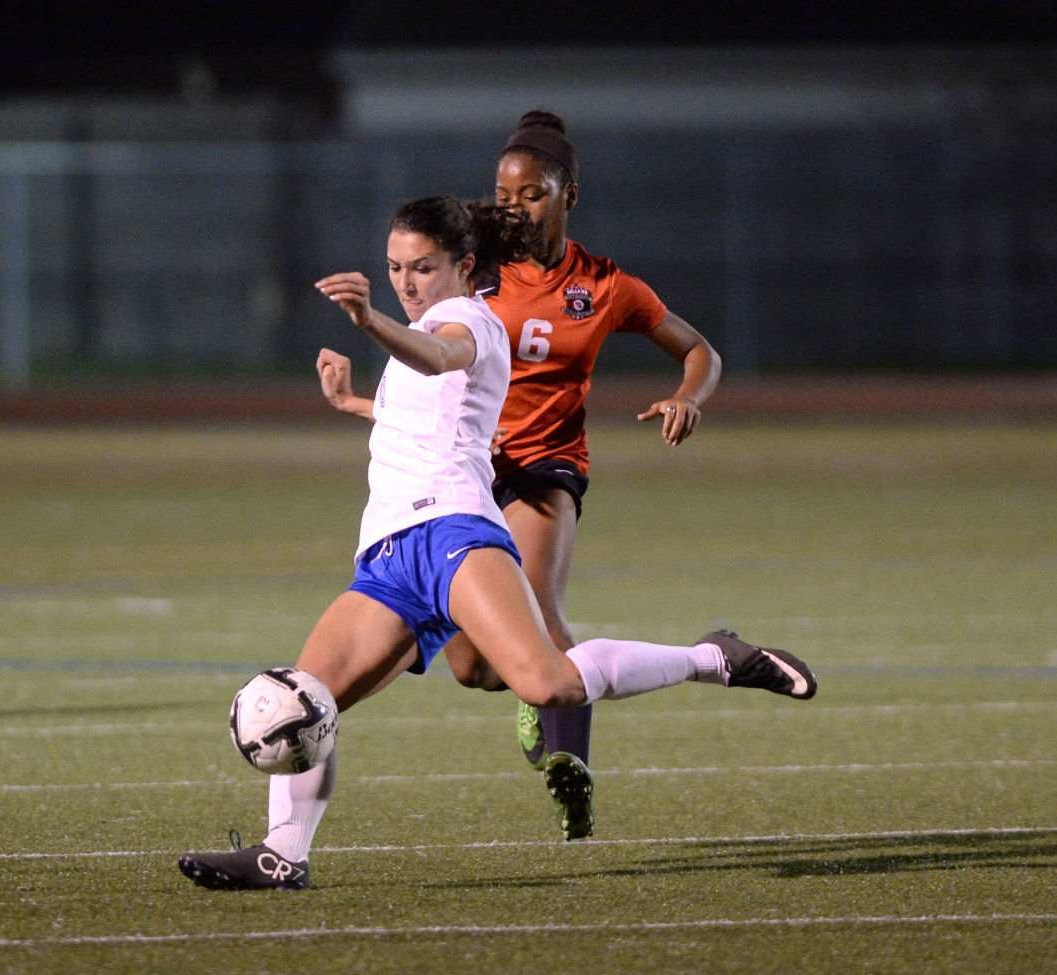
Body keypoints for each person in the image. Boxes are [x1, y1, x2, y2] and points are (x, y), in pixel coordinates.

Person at [178, 194, 816, 892]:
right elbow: (421, 417)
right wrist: (350, 403)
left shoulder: (469, 321)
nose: (405, 280)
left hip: (453, 529)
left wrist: (370, 319)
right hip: (388, 552)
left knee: (548, 682)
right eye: (393, 267)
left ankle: (712, 657)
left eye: (421, 266)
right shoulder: (421, 330)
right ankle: (283, 853)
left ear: (465, 264)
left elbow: (438, 357)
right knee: (307, 694)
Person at [324, 111, 724, 842]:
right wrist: (357, 399)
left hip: (546, 467)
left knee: (536, 605)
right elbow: (435, 382)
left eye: (531, 193)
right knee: (472, 665)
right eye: (503, 193)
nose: (513, 206)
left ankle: (569, 760)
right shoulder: (475, 277)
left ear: (570, 194)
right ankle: (533, 689)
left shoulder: (604, 286)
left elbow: (699, 349)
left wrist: (685, 396)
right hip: (471, 473)